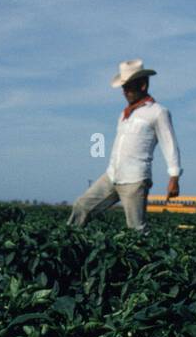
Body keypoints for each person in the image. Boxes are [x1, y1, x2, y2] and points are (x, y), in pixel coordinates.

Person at [68, 59, 181, 231]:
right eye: (123, 87)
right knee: (81, 207)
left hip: (135, 179)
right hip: (112, 175)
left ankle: (148, 256)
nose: (124, 91)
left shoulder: (158, 112)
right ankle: (66, 246)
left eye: (129, 86)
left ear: (142, 85)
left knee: (136, 229)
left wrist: (174, 177)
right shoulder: (124, 114)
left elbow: (169, 144)